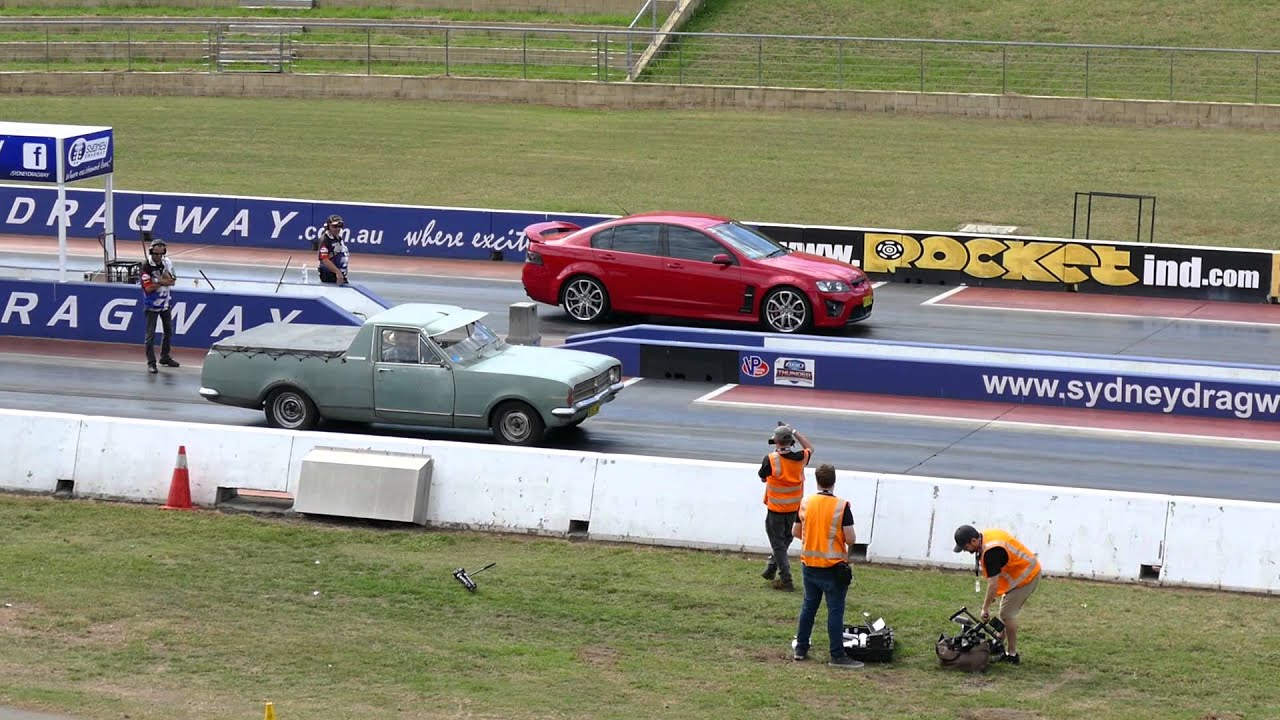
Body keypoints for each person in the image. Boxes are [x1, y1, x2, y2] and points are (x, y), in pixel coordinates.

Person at [792, 464, 861, 668]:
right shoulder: (841, 506)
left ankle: (801, 649)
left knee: (809, 607)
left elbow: (796, 532)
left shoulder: (805, 502)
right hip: (833, 568)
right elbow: (850, 539)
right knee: (835, 611)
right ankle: (837, 655)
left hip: (809, 565)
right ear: (834, 481)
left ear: (817, 481)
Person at [953, 524, 1041, 665]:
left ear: (974, 541)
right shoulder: (986, 538)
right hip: (1022, 573)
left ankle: (1012, 655)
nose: (965, 550)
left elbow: (993, 584)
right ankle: (998, 642)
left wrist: (985, 608)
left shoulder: (990, 552)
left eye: (965, 547)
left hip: (1027, 576)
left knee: (1007, 615)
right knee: (1004, 612)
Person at [758, 423, 813, 591]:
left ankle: (786, 580)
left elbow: (762, 478)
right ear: (790, 441)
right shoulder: (801, 458)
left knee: (778, 544)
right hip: (795, 510)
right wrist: (794, 431)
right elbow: (810, 447)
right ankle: (771, 567)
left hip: (776, 510)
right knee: (784, 541)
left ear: (776, 441)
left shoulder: (771, 459)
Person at [139, 238, 180, 374]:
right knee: (150, 335)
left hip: (165, 303)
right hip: (151, 305)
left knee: (168, 330)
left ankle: (165, 357)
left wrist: (157, 280)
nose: (158, 257)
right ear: (151, 253)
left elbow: (172, 281)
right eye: (155, 254)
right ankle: (151, 362)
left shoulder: (167, 262)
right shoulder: (146, 266)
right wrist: (163, 281)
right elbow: (149, 288)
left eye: (160, 254)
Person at [317, 214, 349, 285]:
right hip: (330, 276)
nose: (337, 228)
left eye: (340, 226)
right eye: (334, 226)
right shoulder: (325, 240)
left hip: (340, 275)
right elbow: (324, 259)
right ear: (328, 227)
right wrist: (338, 272)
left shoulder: (338, 237)